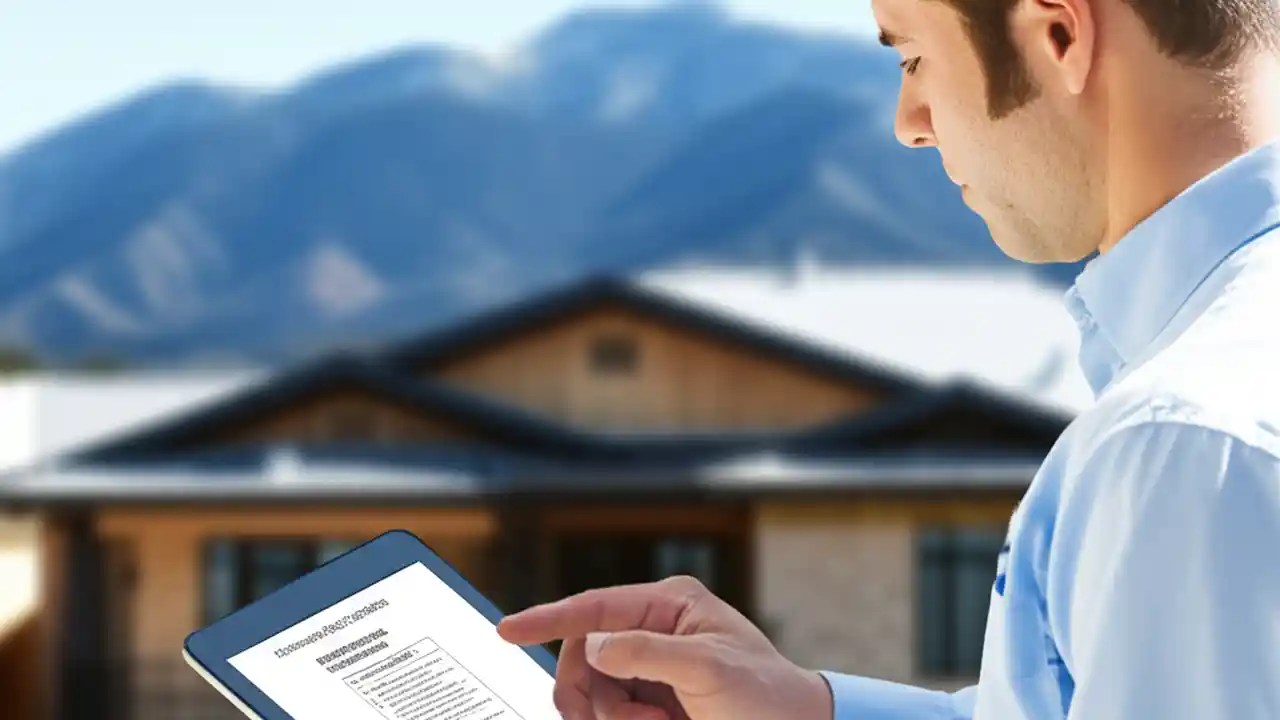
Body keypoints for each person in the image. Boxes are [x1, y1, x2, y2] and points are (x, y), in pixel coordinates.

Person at [497, 0, 1280, 716]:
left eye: (913, 59)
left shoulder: (1181, 445)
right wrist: (806, 710)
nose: (909, 124)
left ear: (1058, 35)